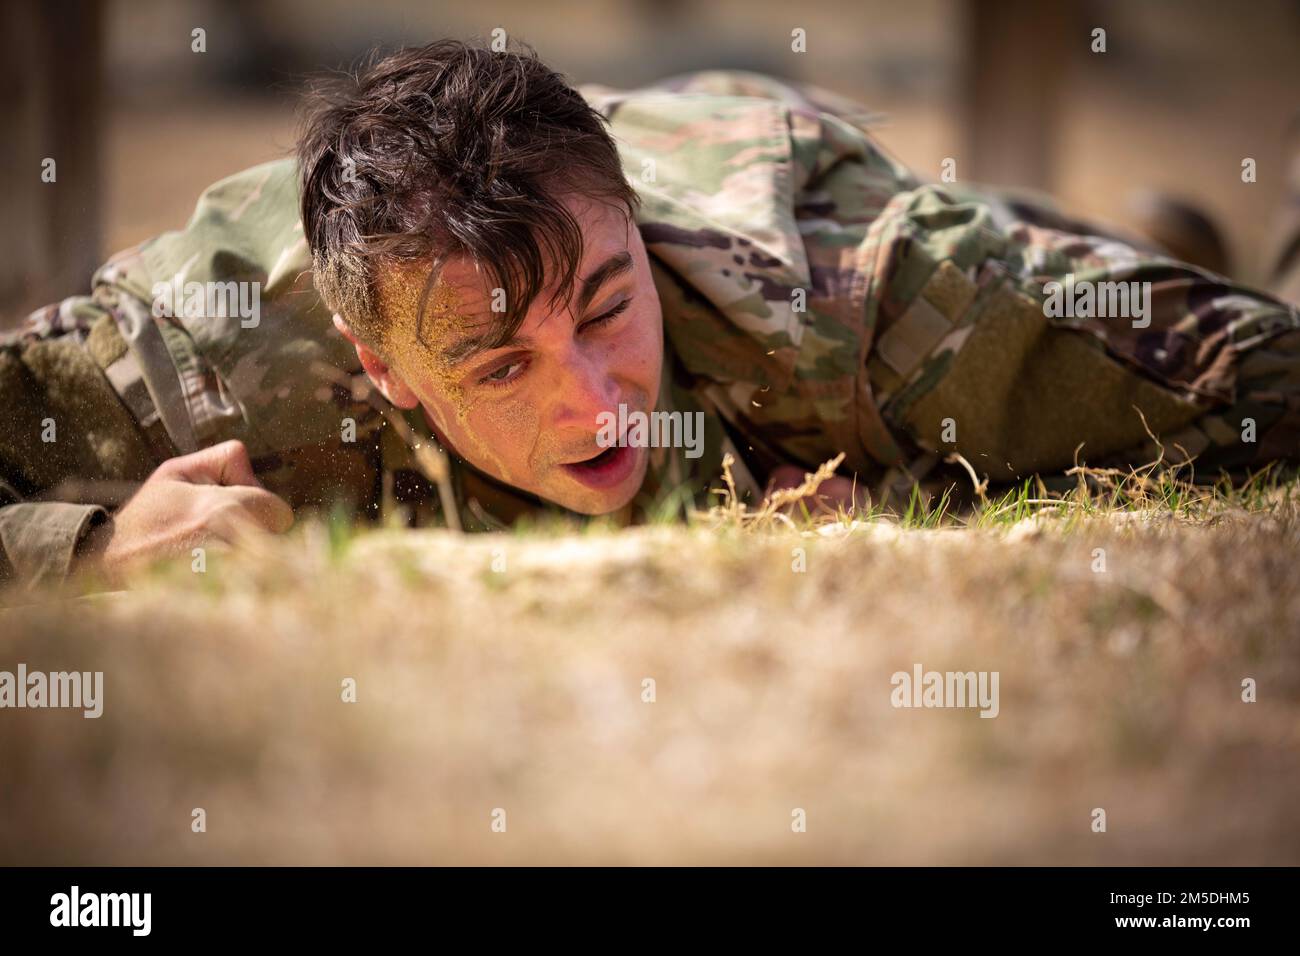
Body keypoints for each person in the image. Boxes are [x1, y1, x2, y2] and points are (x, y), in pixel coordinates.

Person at [2, 39, 1298, 589]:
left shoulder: (860, 308)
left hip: (800, 194)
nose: (593, 398)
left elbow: (1270, 382)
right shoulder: (200, 361)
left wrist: (918, 497)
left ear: (639, 238)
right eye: (500, 364)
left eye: (608, 308)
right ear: (382, 369)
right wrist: (88, 548)